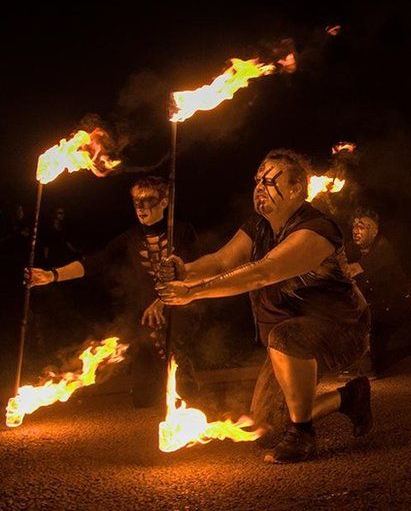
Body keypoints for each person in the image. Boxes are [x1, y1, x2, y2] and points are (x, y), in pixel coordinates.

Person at [156, 149, 371, 464]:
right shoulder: (258, 226)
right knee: (267, 429)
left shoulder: (317, 229)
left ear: (296, 189)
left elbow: (264, 272)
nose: (259, 188)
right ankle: (350, 397)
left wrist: (192, 292)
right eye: (257, 181)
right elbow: (222, 261)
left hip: (342, 331)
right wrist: (186, 271)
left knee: (286, 337)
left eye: (270, 182)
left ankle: (302, 435)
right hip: (288, 340)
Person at [29, 177, 197, 408]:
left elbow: (193, 272)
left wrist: (164, 300)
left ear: (164, 202)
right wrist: (52, 275)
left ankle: (182, 372)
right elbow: (95, 262)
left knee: (185, 393)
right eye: (137, 201)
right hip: (144, 324)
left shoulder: (183, 231)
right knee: (144, 398)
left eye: (149, 200)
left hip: (179, 314)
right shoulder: (131, 238)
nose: (142, 207)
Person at [347, 209, 411, 377]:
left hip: (397, 305)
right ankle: (407, 350)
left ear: (374, 231)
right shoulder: (355, 248)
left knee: (374, 362)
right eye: (355, 226)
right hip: (378, 307)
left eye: (362, 226)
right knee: (378, 362)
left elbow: (353, 270)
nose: (356, 230)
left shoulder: (382, 248)